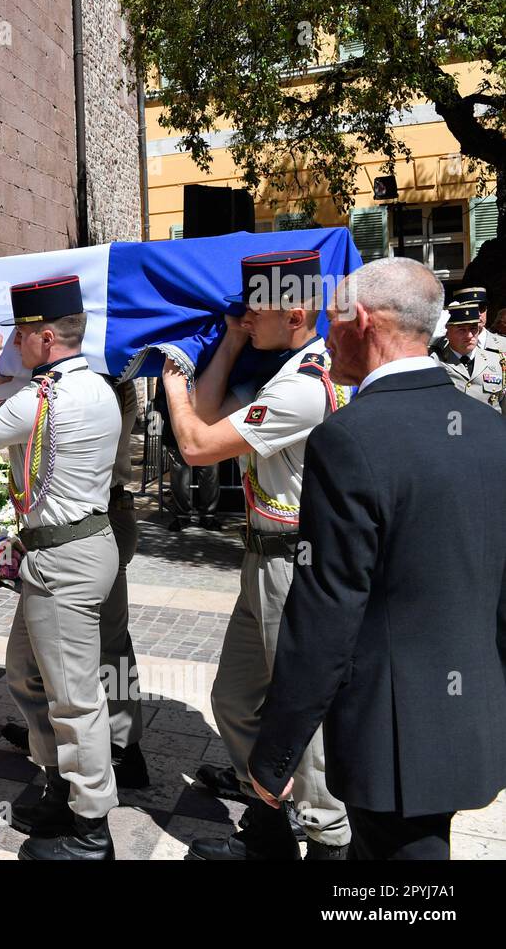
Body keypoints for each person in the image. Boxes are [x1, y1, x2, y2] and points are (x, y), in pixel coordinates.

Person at [249, 257, 506, 860]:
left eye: (331, 318)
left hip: (392, 737)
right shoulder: (490, 429)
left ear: (360, 319)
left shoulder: (350, 438)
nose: (323, 331)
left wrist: (277, 752)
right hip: (471, 717)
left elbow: (325, 613)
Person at [159, 250, 352, 860]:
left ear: (296, 313)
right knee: (236, 698)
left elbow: (196, 442)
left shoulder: (303, 387)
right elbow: (213, 412)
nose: (243, 314)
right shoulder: (283, 368)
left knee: (302, 710)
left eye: (255, 309)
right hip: (262, 559)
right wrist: (234, 345)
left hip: (293, 565)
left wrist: (171, 379)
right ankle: (269, 812)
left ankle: (327, 837)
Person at [0, 275, 121, 860]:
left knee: (74, 696)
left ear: (46, 337)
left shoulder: (44, 398)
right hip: (79, 547)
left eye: (20, 337)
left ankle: (91, 830)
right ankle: (57, 784)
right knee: (23, 669)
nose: (13, 348)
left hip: (63, 558)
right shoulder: (96, 388)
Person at [102, 379, 148, 787]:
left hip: (100, 516)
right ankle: (122, 745)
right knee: (111, 641)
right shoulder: (120, 381)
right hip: (113, 511)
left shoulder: (101, 385)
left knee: (106, 643)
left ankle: (121, 751)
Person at [429, 293, 505, 414]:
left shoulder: (498, 361)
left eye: (473, 329)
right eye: (462, 330)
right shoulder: (434, 361)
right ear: (447, 332)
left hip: (490, 429)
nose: (469, 335)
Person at [155, 390, 220, 531]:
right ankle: (187, 516)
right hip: (178, 430)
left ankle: (203, 516)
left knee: (207, 471)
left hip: (204, 428)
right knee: (183, 474)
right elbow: (160, 403)